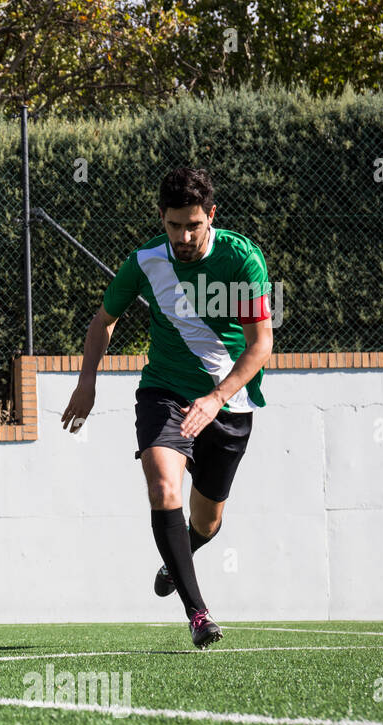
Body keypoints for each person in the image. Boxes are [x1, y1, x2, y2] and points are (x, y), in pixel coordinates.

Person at [61, 167, 273, 648]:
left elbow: (261, 344)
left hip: (229, 403)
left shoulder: (242, 260)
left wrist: (217, 397)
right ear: (162, 218)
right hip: (164, 392)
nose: (183, 235)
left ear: (211, 216)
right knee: (162, 485)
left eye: (193, 224)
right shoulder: (144, 261)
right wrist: (86, 382)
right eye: (174, 225)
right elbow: (103, 320)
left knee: (208, 521)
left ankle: (180, 557)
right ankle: (198, 614)